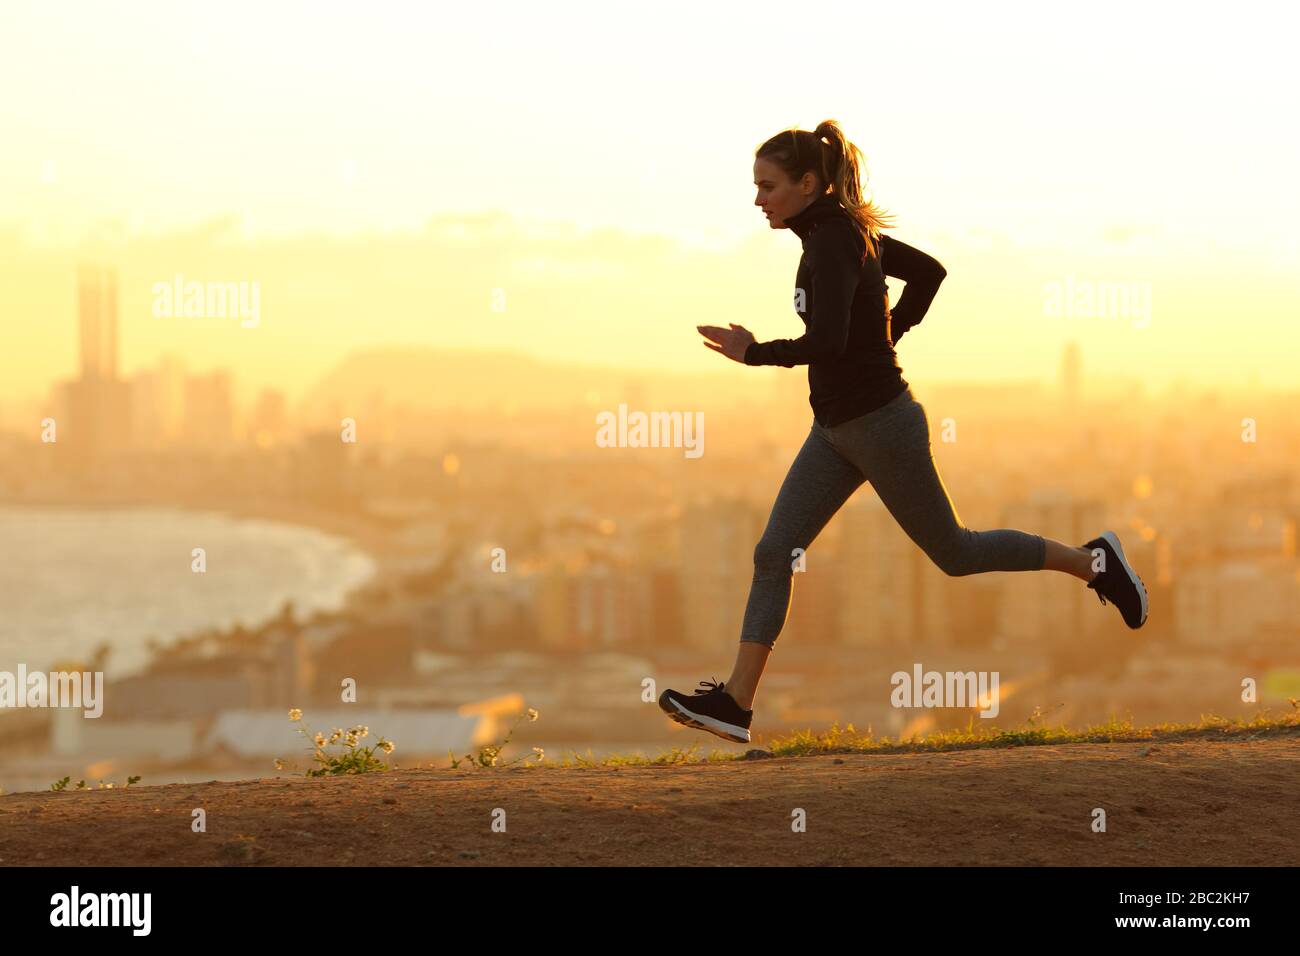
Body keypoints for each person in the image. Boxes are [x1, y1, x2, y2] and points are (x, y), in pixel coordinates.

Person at [659, 119, 1148, 745]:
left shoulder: (837, 241)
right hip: (834, 431)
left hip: (882, 426)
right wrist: (888, 329)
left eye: (768, 186)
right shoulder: (840, 235)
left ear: (808, 183)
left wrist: (756, 353)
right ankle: (735, 703)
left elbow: (829, 341)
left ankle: (1093, 562)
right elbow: (929, 275)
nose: (758, 200)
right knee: (772, 553)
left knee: (956, 553)